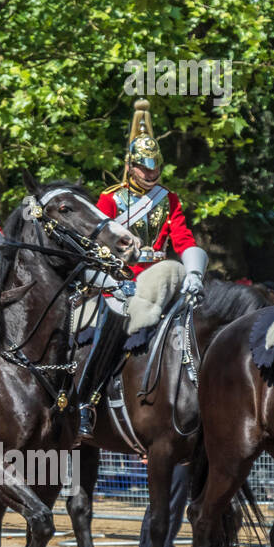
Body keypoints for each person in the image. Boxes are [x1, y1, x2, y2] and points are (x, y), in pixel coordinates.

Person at [77, 99, 209, 441]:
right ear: (129, 166)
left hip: (162, 284)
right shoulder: (109, 199)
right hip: (121, 286)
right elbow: (99, 248)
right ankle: (87, 401)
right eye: (143, 167)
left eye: (154, 167)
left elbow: (182, 238)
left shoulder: (169, 200)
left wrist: (194, 272)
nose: (150, 173)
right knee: (109, 329)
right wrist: (111, 280)